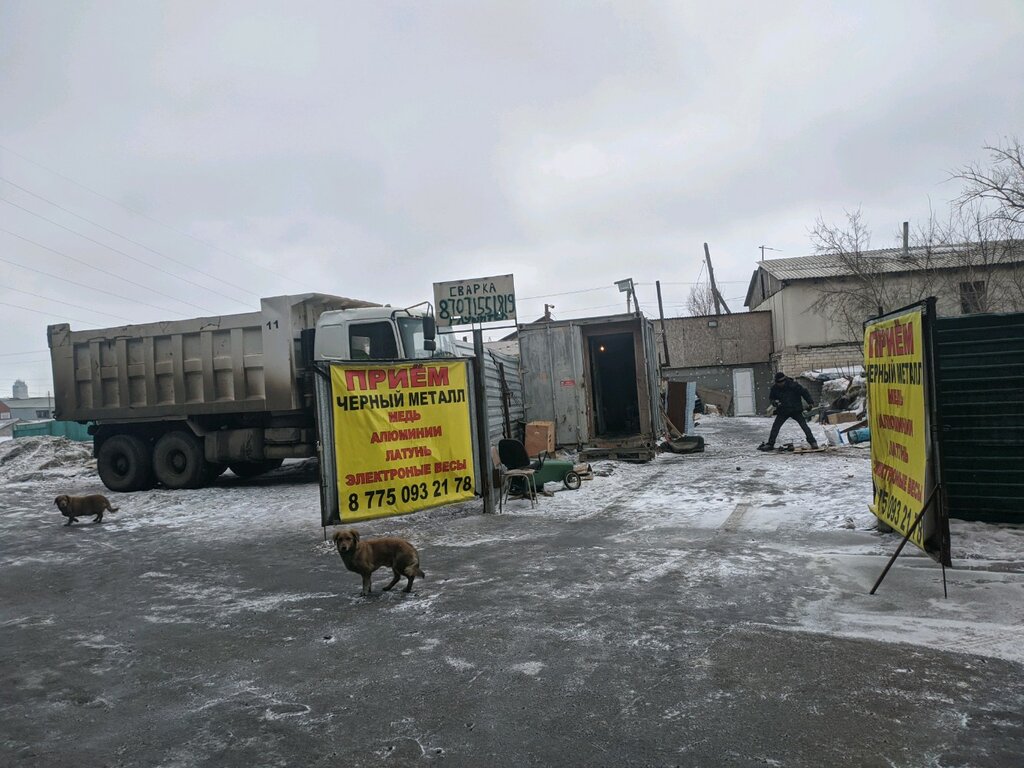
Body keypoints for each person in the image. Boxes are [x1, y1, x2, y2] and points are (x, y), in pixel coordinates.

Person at [758, 372, 818, 450]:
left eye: (781, 383)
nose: (780, 385)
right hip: (783, 410)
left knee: (804, 426)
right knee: (775, 427)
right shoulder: (775, 388)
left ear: (784, 381)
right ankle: (770, 444)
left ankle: (813, 442)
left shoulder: (794, 385)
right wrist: (775, 403)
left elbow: (804, 392)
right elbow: (772, 398)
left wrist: (810, 402)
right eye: (778, 383)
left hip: (795, 410)